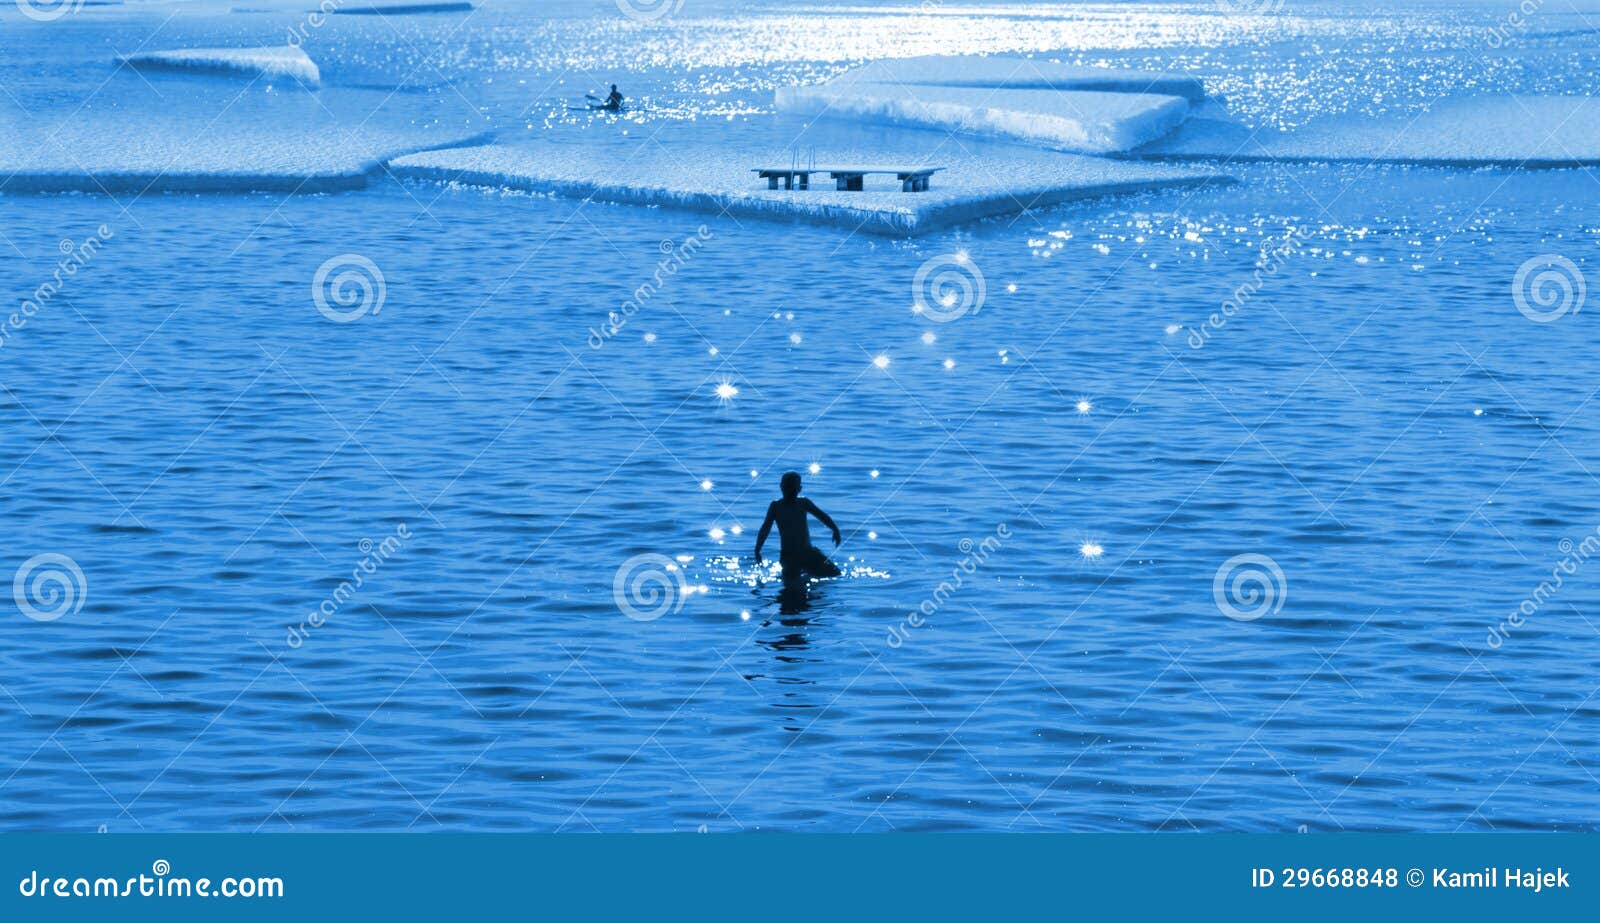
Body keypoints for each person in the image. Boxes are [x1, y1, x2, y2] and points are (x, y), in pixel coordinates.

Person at [753, 471, 842, 585]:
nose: (790, 491)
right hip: (789, 556)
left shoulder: (803, 503)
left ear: (799, 489)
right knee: (791, 586)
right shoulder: (776, 506)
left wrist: (835, 529)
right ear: (781, 487)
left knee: (834, 573)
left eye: (793, 488)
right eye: (787, 487)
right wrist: (758, 549)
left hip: (808, 552)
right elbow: (765, 528)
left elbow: (822, 516)